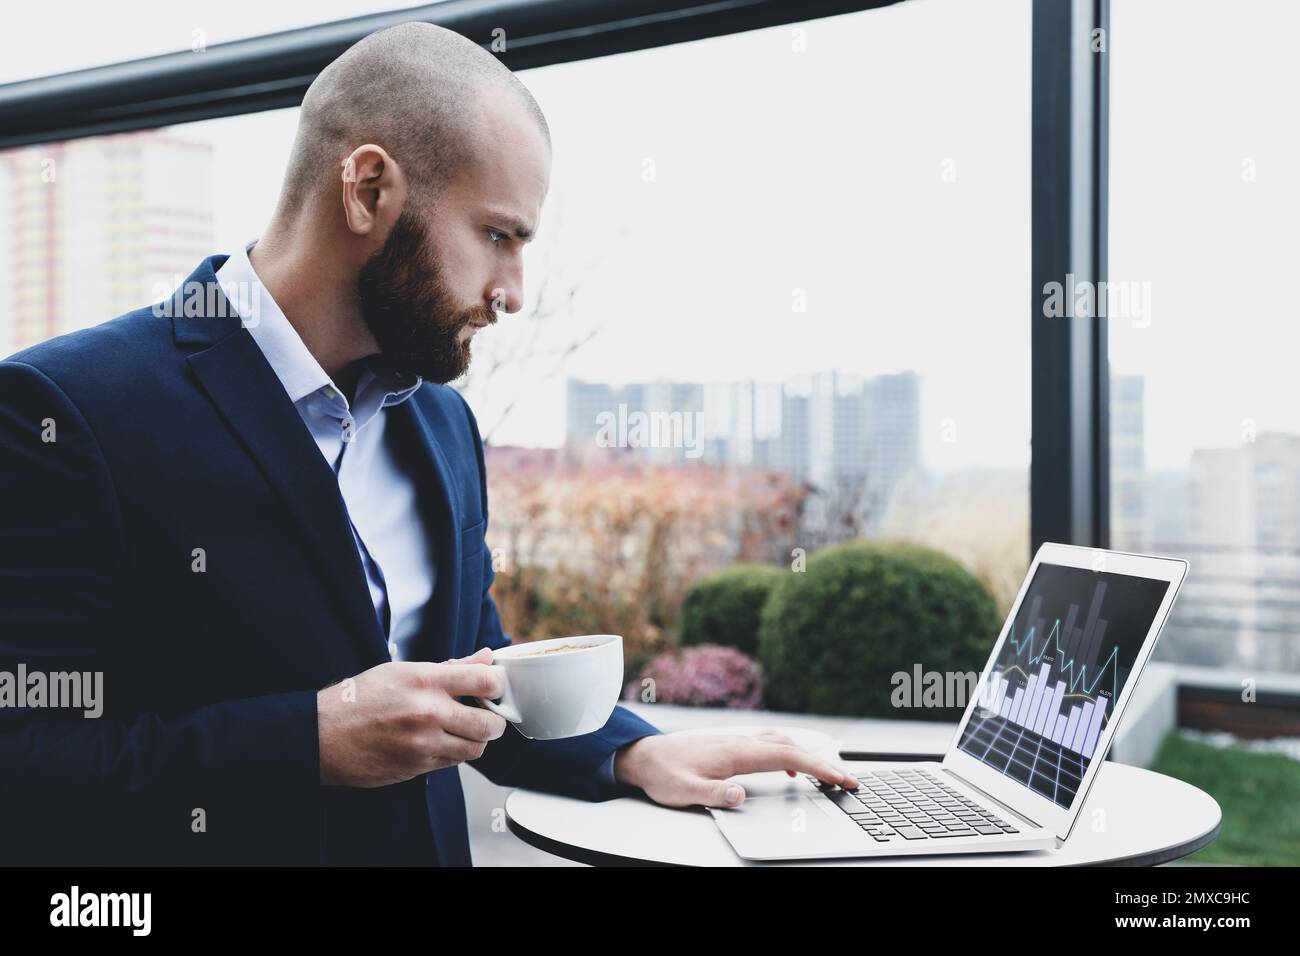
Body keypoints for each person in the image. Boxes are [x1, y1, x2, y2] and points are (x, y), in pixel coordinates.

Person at [0, 21, 857, 866]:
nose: (513, 292)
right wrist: (309, 741)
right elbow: (22, 765)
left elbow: (473, 680)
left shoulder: (442, 424)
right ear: (369, 189)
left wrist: (631, 751)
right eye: (497, 236)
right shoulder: (66, 413)